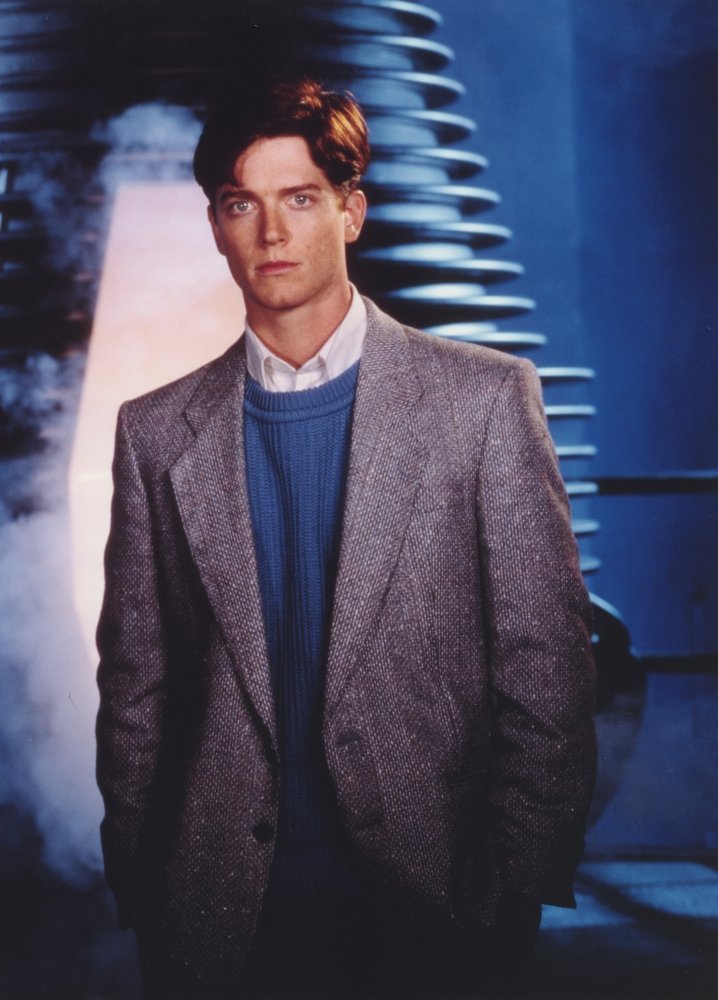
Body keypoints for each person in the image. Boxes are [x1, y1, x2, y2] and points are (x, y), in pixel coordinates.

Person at [95, 79, 597, 999]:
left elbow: (547, 666)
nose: (271, 233)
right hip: (222, 919)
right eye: (242, 203)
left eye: (300, 198)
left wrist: (516, 889)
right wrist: (142, 878)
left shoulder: (483, 401)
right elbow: (137, 686)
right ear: (216, 226)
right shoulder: (154, 433)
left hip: (439, 912)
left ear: (350, 212)